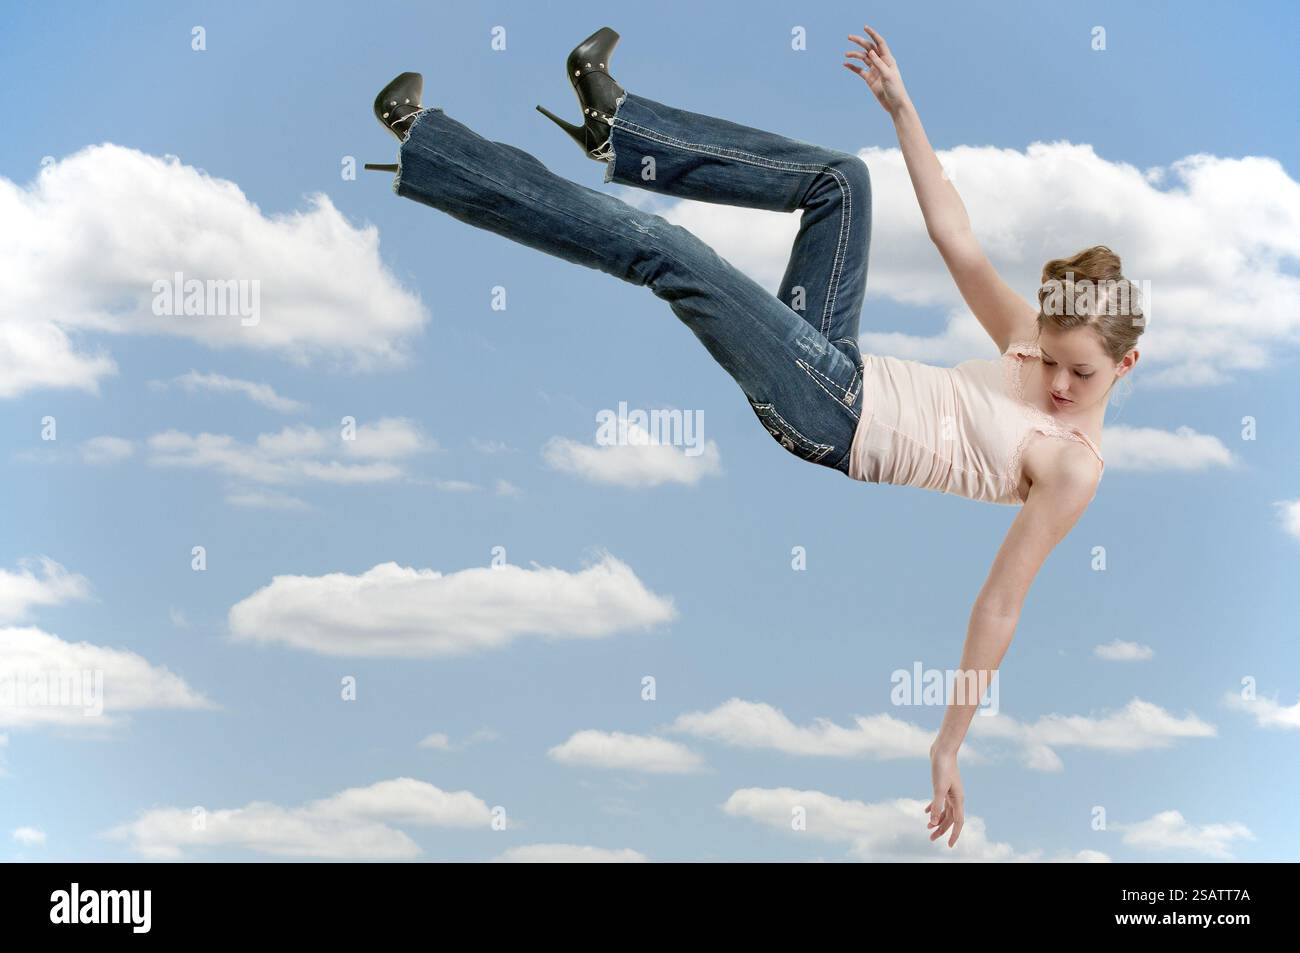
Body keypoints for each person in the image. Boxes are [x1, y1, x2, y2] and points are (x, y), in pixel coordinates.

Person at [365, 24, 1144, 849]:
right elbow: (956, 238)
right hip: (836, 362)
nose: (1057, 384)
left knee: (666, 250)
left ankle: (430, 149)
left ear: (1126, 365)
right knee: (841, 183)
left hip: (828, 413)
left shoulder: (1074, 469)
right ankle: (623, 130)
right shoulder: (1032, 335)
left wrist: (948, 742)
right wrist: (904, 109)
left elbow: (1000, 603)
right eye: (1054, 361)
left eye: (1081, 376)